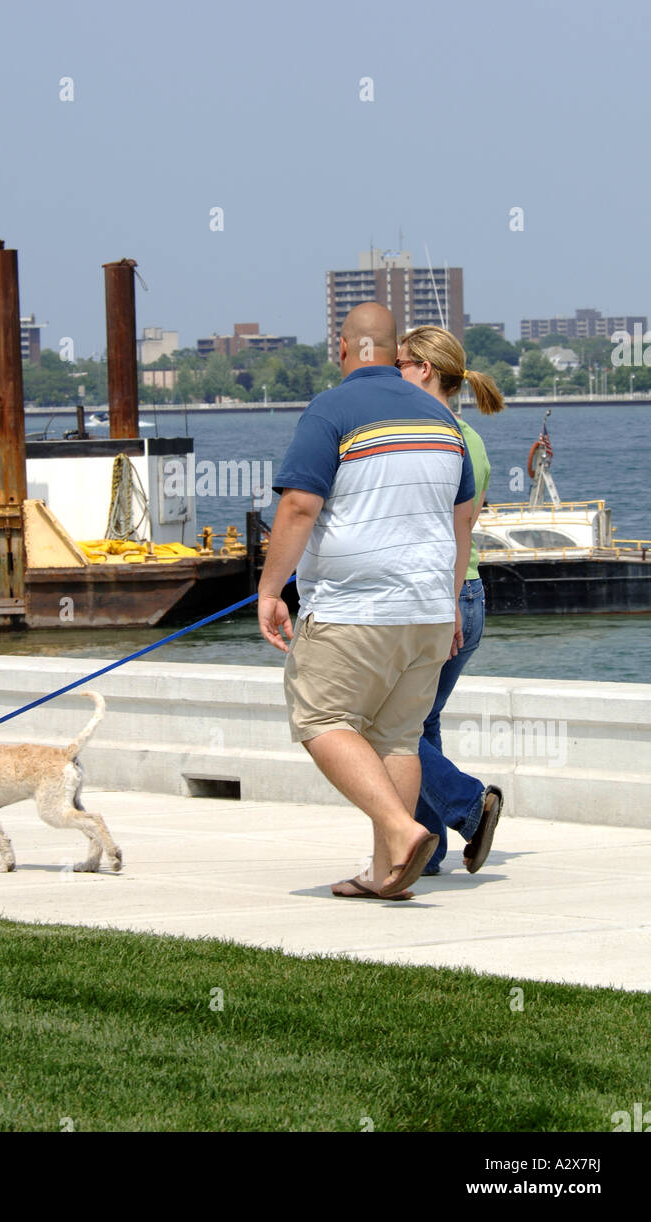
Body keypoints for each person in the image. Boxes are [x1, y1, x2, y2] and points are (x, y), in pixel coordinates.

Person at [257, 303, 476, 899]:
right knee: (398, 738)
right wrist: (451, 603)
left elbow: (300, 507)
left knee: (321, 718)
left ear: (345, 348)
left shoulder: (330, 409)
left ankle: (401, 832)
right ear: (392, 349)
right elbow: (462, 527)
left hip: (356, 608)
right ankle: (387, 875)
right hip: (429, 608)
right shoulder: (442, 420)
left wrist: (271, 589)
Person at [395, 326, 505, 875]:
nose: (392, 373)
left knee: (385, 724)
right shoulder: (473, 439)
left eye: (399, 364)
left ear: (424, 369)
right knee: (422, 721)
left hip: (443, 595)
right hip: (472, 594)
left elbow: (444, 527)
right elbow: (470, 520)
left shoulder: (427, 436)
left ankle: (468, 805)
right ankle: (428, 848)